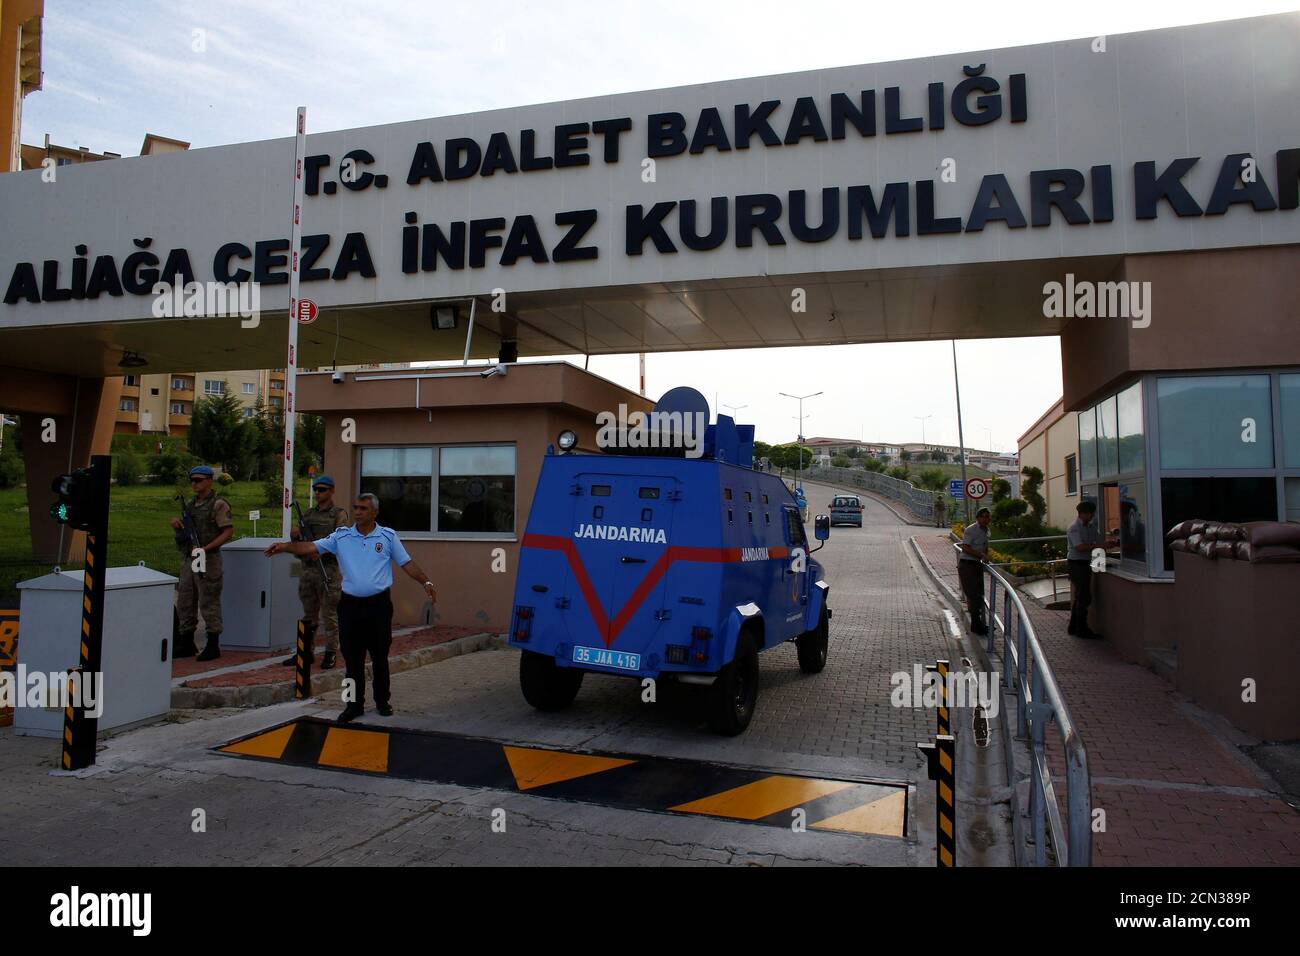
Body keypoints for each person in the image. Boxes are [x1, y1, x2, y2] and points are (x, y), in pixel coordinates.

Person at [264, 493, 437, 722]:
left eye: (363, 508)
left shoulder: (387, 536)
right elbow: (311, 547)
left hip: (378, 606)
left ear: (374, 512)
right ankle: (353, 705)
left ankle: (383, 701)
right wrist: (286, 546)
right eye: (355, 507)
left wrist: (425, 582)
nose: (357, 512)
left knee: (379, 657)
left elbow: (407, 563)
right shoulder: (341, 536)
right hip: (350, 606)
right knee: (352, 660)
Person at [280, 476, 350, 670]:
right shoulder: (308, 515)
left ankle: (330, 652)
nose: (318, 493)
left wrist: (319, 550)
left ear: (331, 491)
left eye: (323, 490)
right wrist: (295, 537)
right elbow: (299, 545)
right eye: (316, 490)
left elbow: (341, 540)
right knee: (309, 614)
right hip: (309, 571)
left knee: (329, 615)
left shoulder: (338, 514)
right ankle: (305, 652)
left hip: (328, 570)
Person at [171, 465, 234, 661]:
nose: (194, 484)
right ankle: (186, 641)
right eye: (192, 480)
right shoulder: (190, 506)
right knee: (185, 600)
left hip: (209, 558)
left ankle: (213, 644)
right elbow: (185, 535)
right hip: (190, 557)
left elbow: (227, 531)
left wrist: (206, 548)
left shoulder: (218, 504)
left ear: (209, 481)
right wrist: (178, 529)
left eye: (198, 480)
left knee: (208, 600)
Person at [1067, 501, 1104, 639]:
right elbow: (1080, 547)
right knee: (1083, 596)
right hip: (1076, 564)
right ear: (1082, 513)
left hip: (1086, 563)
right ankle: (1081, 628)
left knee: (1081, 596)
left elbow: (1096, 542)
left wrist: (1103, 547)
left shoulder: (1091, 527)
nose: (1091, 515)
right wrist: (1099, 545)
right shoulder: (1074, 528)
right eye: (1089, 513)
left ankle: (1074, 626)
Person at [957, 507, 992, 635]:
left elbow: (985, 546)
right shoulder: (971, 530)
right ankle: (977, 625)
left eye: (988, 517)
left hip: (976, 565)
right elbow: (965, 547)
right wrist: (980, 555)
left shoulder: (986, 531)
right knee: (973, 595)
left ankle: (978, 624)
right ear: (978, 518)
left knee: (978, 594)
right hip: (967, 565)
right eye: (983, 516)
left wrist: (985, 556)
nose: (986, 519)